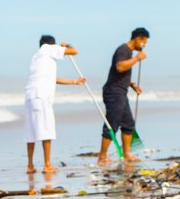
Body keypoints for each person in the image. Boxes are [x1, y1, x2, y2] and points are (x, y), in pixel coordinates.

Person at [24, 35, 85, 173]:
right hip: (41, 94)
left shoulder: (36, 57)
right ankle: (47, 165)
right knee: (46, 129)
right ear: (52, 44)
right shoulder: (48, 48)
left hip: (30, 95)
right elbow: (74, 51)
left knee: (31, 131)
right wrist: (66, 45)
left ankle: (30, 166)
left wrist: (75, 82)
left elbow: (53, 79)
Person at [97, 27, 149, 165]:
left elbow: (120, 72)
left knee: (128, 124)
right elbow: (120, 67)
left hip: (121, 92)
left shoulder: (128, 52)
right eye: (145, 42)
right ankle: (102, 157)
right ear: (139, 39)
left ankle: (127, 154)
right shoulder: (123, 50)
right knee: (112, 123)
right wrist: (137, 58)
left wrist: (131, 84)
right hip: (114, 92)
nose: (144, 46)